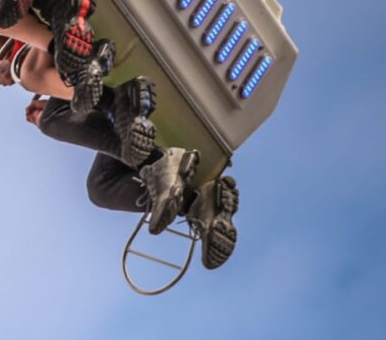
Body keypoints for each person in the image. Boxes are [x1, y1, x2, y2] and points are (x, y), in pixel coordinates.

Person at [21, 85, 240, 270]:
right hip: (107, 97)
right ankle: (197, 203)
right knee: (100, 187)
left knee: (51, 119)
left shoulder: (22, 60)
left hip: (117, 88)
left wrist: (25, 72)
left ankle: (160, 166)